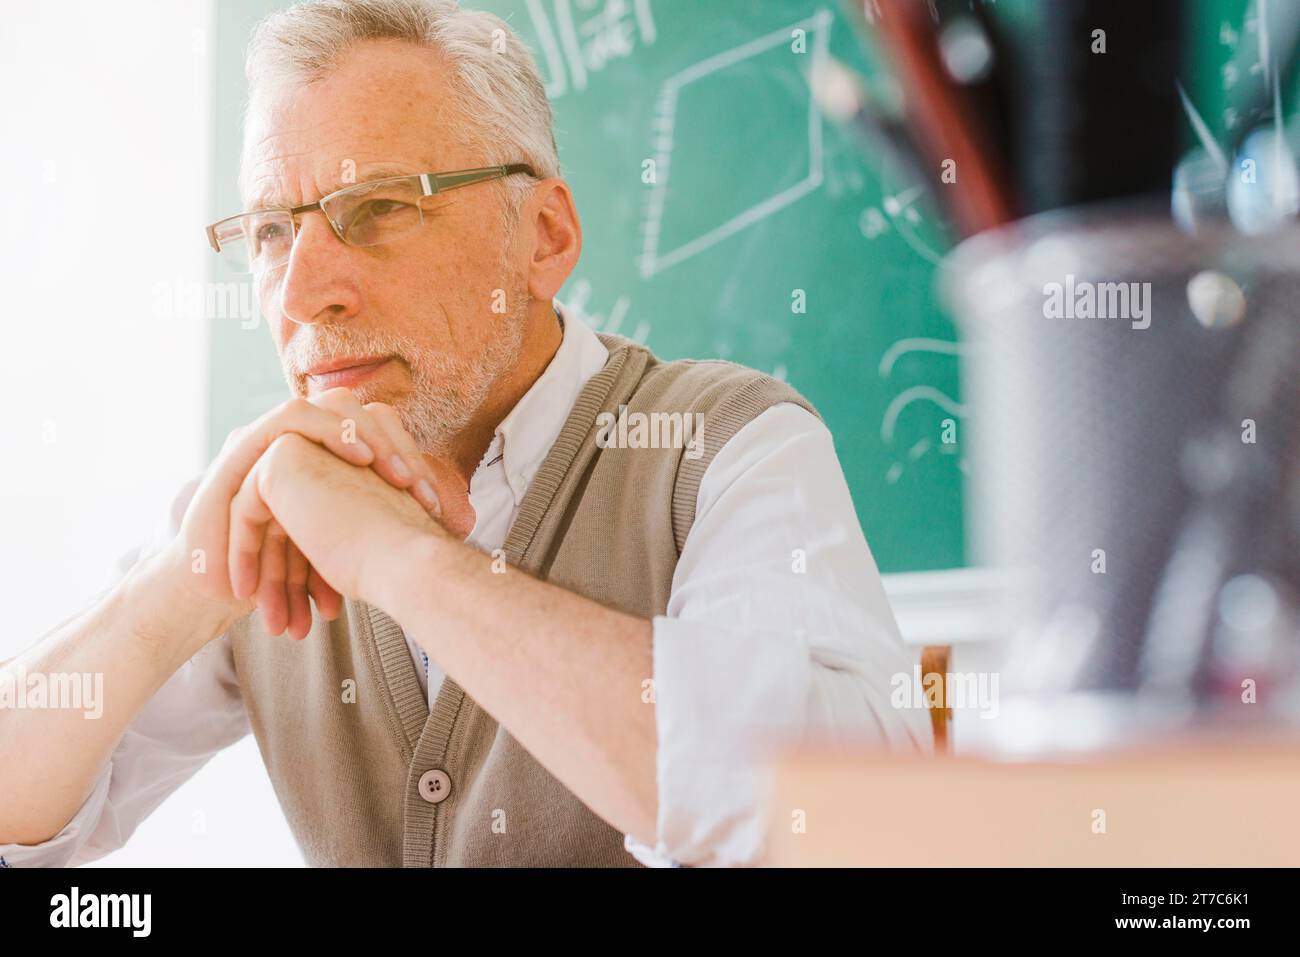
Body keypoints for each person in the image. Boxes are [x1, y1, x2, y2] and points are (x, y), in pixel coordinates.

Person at [0, 0, 928, 868]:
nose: (299, 292)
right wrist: (175, 589)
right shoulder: (263, 504)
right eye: (272, 232)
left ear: (545, 237)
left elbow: (853, 817)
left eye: (378, 208)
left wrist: (405, 562)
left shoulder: (728, 445)